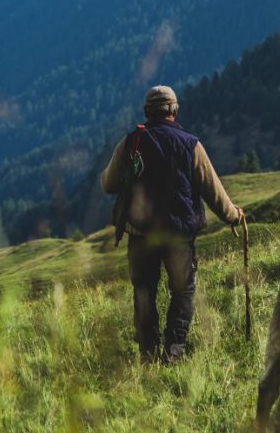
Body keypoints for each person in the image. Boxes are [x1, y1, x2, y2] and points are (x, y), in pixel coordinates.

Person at [101, 85, 244, 364]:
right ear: (174, 111)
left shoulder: (132, 142)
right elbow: (212, 189)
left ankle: (148, 353)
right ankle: (174, 351)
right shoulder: (190, 144)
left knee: (144, 290)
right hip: (178, 233)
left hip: (142, 234)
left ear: (147, 112)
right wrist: (233, 215)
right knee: (183, 290)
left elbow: (109, 184)